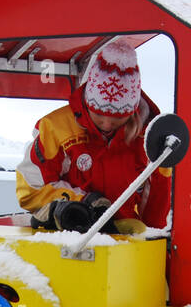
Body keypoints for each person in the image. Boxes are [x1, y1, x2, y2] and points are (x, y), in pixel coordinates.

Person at [16, 41, 171, 235]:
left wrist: (153, 240)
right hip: (68, 239)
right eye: (98, 114)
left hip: (125, 242)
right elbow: (30, 191)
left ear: (132, 112)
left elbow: (155, 211)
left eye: (117, 118)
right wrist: (84, 203)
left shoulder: (148, 139)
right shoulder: (55, 128)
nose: (106, 124)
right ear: (88, 102)